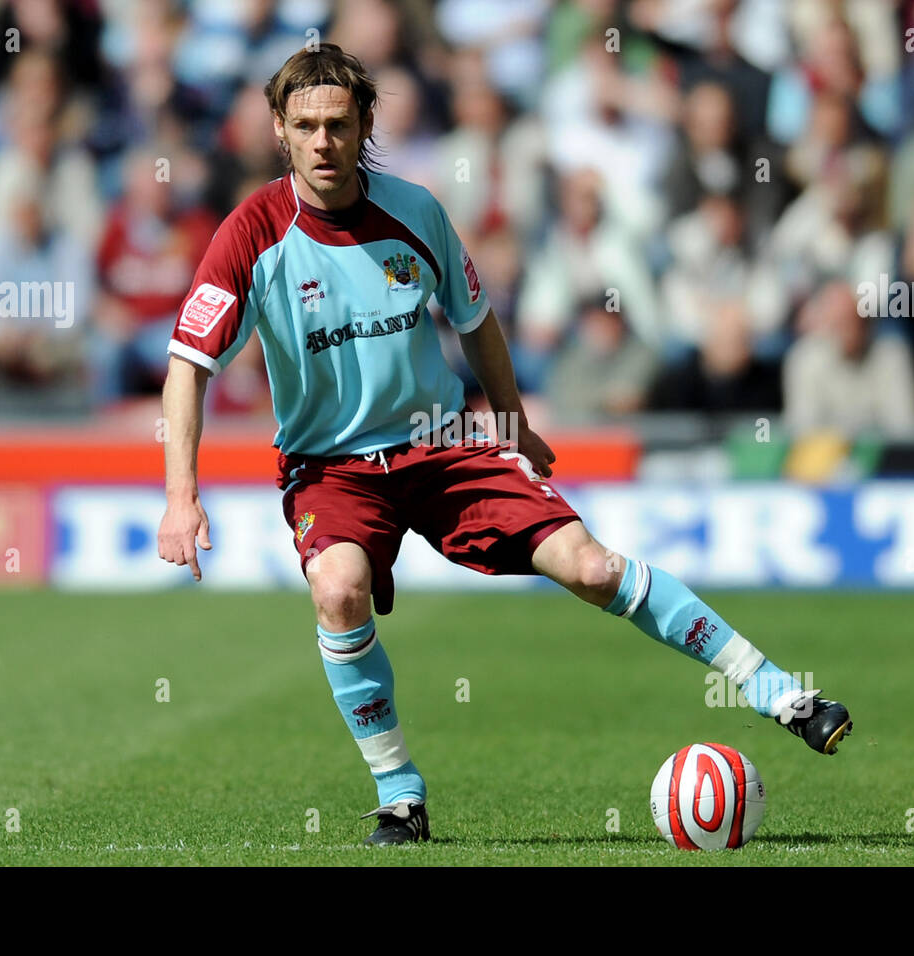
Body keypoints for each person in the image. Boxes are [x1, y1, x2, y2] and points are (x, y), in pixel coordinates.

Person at [156, 44, 852, 846]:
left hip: (443, 445)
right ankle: (400, 794)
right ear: (279, 130)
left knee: (593, 568)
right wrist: (182, 496)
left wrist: (512, 418)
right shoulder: (250, 235)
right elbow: (188, 364)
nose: (322, 142)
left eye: (338, 125)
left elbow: (475, 316)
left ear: (364, 126)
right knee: (338, 589)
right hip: (332, 468)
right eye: (305, 126)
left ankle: (784, 697)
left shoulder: (416, 213)